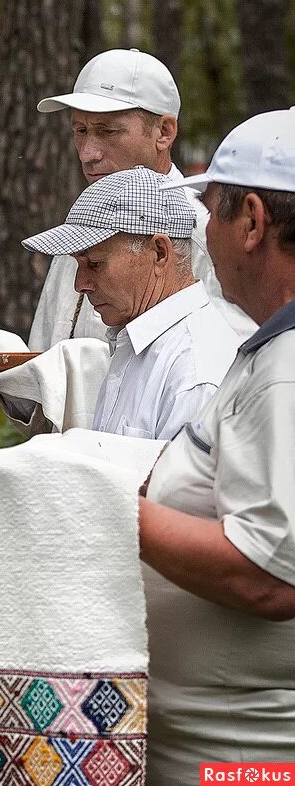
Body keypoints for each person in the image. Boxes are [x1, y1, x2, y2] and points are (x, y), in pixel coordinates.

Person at [137, 108, 295, 776]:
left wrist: (100, 506)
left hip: (243, 760)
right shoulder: (270, 351)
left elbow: (270, 575)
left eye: (212, 210)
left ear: (252, 221)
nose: (203, 230)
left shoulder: (286, 372)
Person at [31, 48, 255, 349]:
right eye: (80, 130)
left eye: (107, 131)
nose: (87, 153)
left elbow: (227, 366)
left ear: (164, 132)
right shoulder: (79, 224)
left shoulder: (204, 234)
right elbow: (45, 346)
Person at [22, 166, 240, 440]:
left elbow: (175, 484)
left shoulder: (195, 375)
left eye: (95, 263)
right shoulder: (138, 341)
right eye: (79, 264)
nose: (80, 284)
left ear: (160, 253)